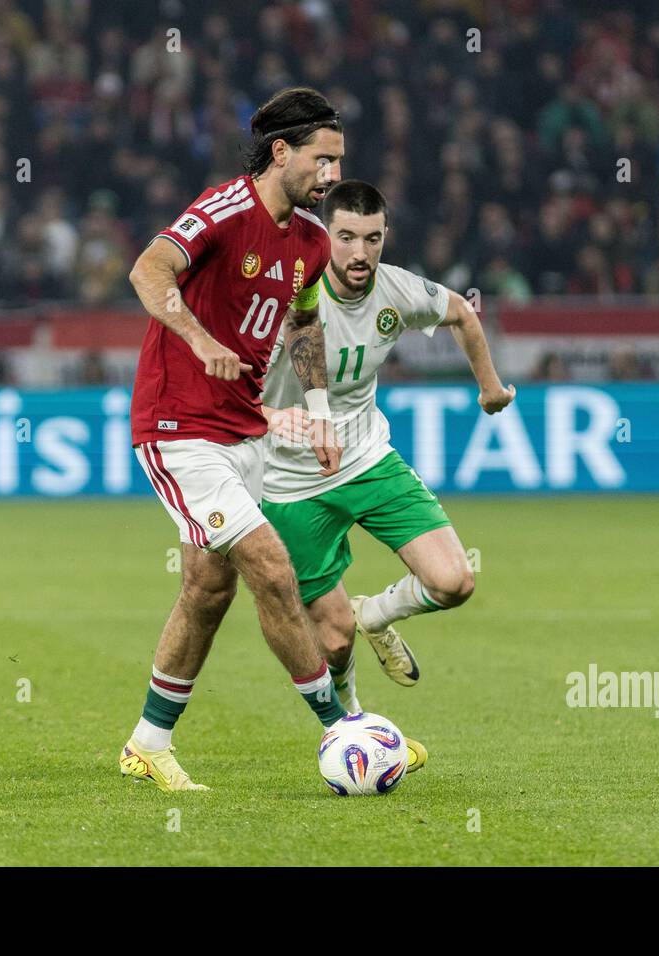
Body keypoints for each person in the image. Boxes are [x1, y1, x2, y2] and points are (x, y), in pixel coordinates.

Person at [119, 89, 426, 792]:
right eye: (323, 160)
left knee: (207, 588)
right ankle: (342, 730)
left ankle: (147, 742)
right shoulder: (226, 209)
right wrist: (199, 339)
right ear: (281, 153)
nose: (330, 175)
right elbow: (147, 270)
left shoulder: (313, 243)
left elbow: (305, 321)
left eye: (339, 161)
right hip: (178, 425)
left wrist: (317, 411)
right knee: (269, 563)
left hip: (244, 430)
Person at [259, 180, 515, 714]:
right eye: (346, 237)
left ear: (385, 236)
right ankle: (352, 721)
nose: (359, 253)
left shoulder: (397, 290)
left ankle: (376, 613)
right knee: (333, 640)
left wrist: (489, 388)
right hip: (290, 480)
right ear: (324, 234)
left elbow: (463, 315)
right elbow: (229, 385)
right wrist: (267, 416)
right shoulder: (289, 296)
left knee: (454, 581)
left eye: (372, 239)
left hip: (369, 459)